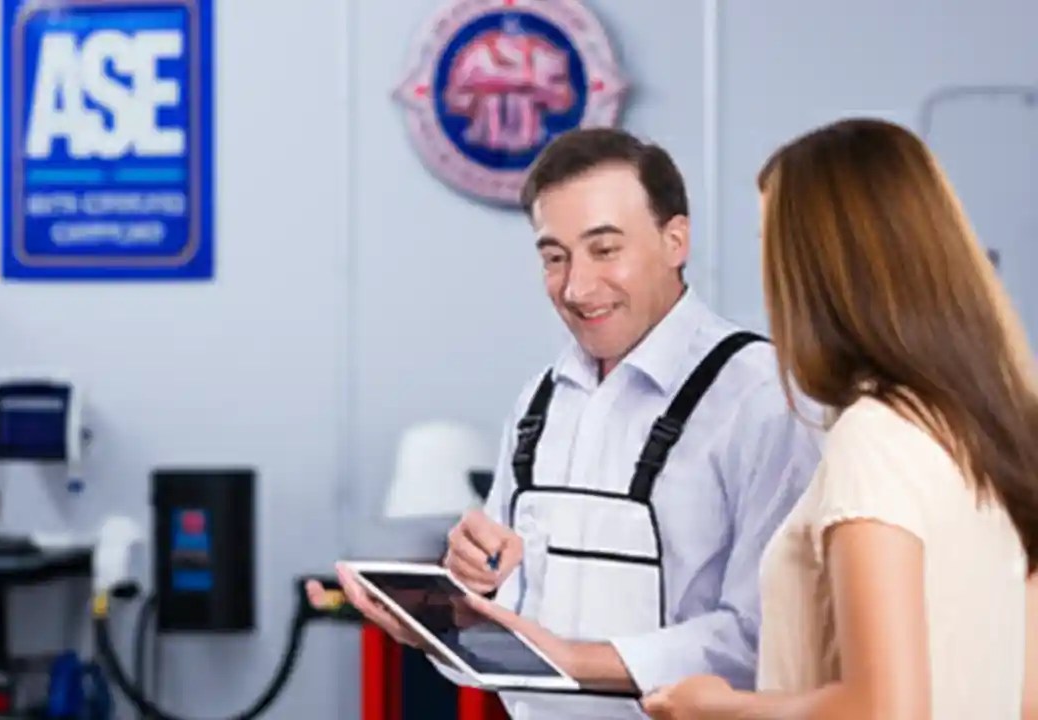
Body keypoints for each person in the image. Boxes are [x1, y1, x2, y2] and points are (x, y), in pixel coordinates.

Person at [487, 117, 1038, 718]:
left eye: (769, 245)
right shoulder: (986, 430)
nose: (577, 285)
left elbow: (884, 706)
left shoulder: (869, 438)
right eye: (555, 257)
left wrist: (720, 706)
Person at [310, 128, 822, 718]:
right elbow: (513, 608)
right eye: (555, 257)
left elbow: (767, 638)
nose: (576, 287)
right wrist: (463, 598)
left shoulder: (762, 396)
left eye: (605, 250)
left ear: (675, 239)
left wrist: (574, 660)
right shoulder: (541, 401)